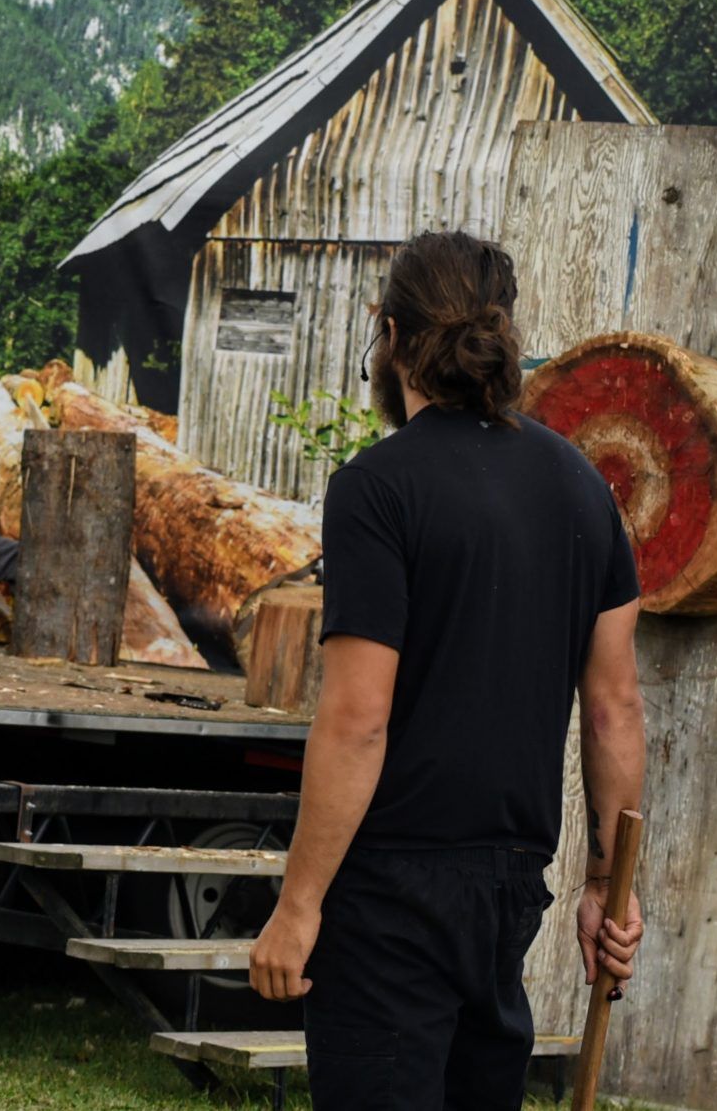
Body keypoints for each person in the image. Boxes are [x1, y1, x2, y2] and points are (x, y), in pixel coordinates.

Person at [248, 230, 646, 1110]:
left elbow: (358, 719)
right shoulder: (584, 489)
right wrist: (605, 885)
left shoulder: (378, 488)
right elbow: (614, 707)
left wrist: (299, 904)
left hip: (391, 891)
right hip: (511, 883)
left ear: (389, 335)